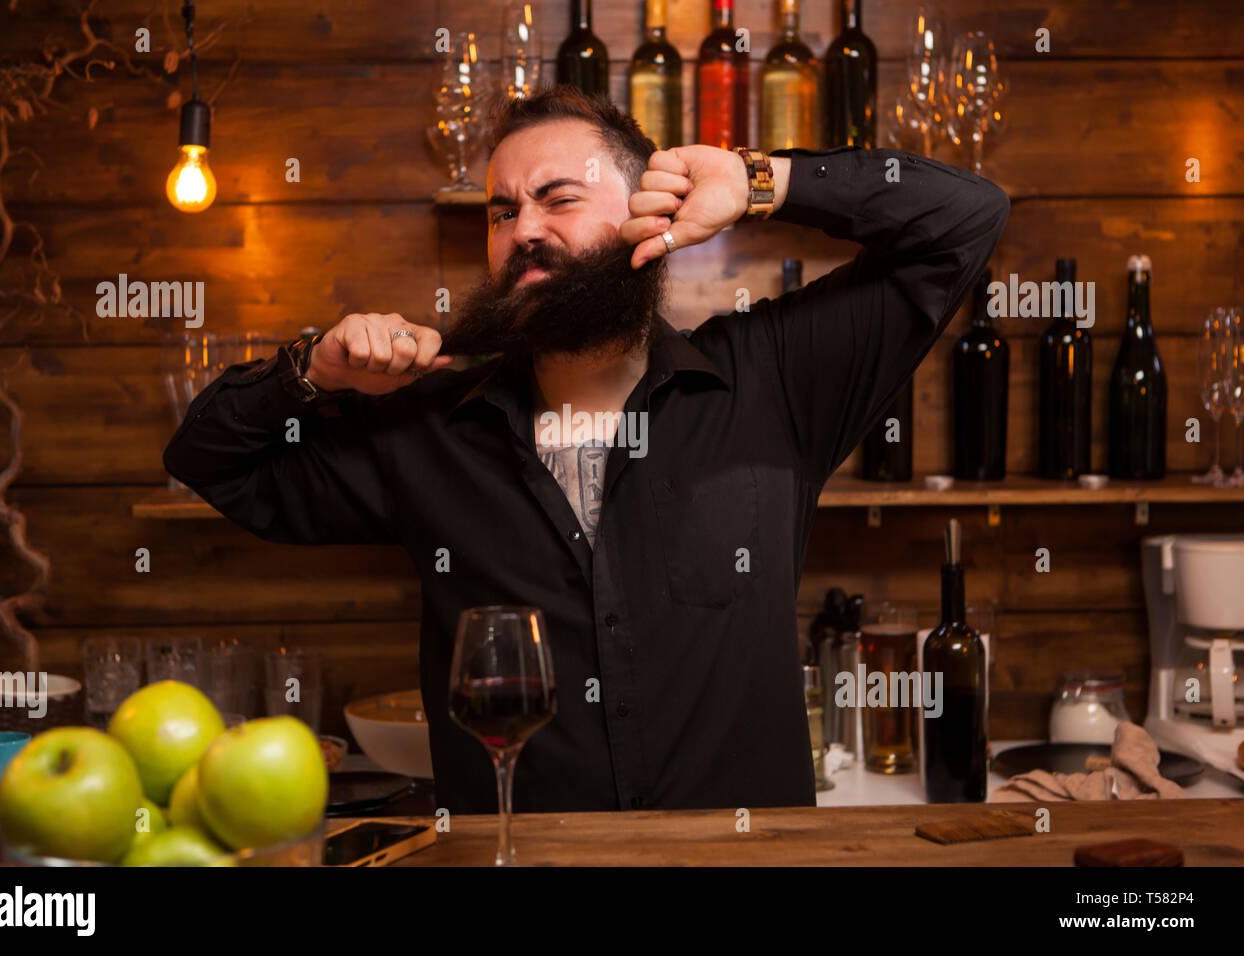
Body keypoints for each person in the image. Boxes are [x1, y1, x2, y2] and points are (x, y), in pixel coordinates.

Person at [164, 87, 1010, 814]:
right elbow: (211, 458)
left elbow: (967, 219)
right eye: (501, 211)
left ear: (652, 208)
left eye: (557, 198)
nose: (522, 229)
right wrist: (310, 371)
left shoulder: (773, 382)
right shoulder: (423, 425)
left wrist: (758, 180)